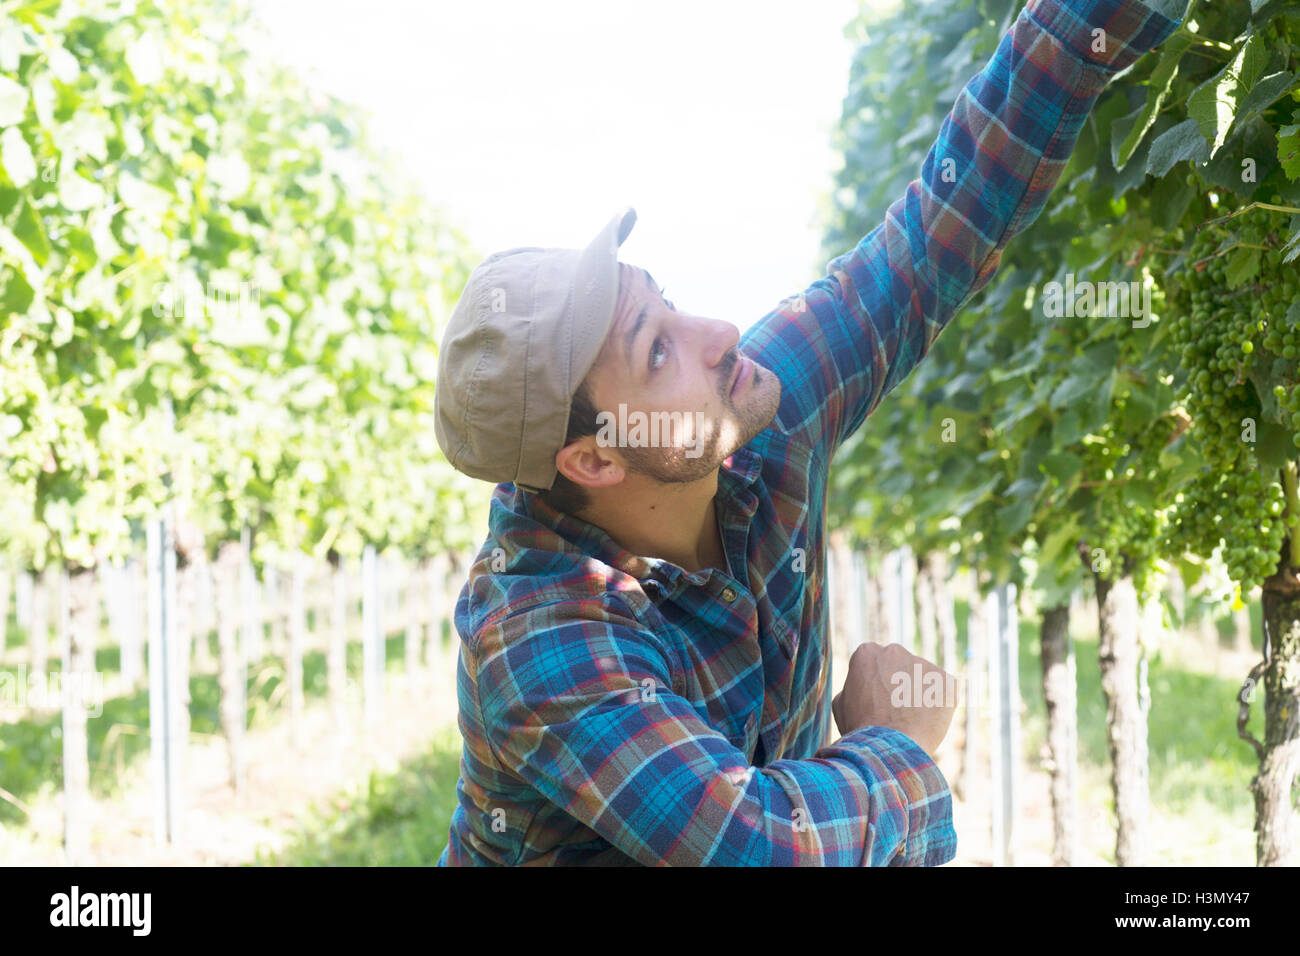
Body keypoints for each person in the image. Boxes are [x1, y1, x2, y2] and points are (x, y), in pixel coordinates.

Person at [432, 0, 1182, 865]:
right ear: (593, 457)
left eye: (669, 302)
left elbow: (927, 248)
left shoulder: (753, 415)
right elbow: (761, 846)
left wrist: (1090, 19)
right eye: (658, 348)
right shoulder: (539, 631)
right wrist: (894, 745)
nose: (718, 336)